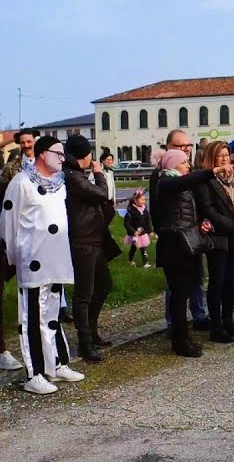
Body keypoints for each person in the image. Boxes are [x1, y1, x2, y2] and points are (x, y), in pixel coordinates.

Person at [0, 136, 84, 393]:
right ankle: (33, 373)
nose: (62, 158)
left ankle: (55, 363)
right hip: (32, 260)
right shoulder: (21, 183)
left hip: (55, 258)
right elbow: (9, 223)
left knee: (52, 313)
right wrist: (16, 258)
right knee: (32, 316)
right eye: (58, 153)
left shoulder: (59, 185)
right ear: (42, 153)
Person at [150, 138, 228, 358]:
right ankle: (180, 340)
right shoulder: (165, 181)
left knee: (187, 289)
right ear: (173, 164)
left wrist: (199, 222)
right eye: (184, 162)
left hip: (187, 243)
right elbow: (186, 183)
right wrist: (213, 171)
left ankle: (184, 336)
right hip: (174, 245)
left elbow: (187, 209)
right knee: (179, 294)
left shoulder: (182, 182)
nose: (188, 165)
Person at [63, 134, 118, 363]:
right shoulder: (72, 176)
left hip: (94, 239)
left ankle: (92, 331)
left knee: (103, 286)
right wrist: (99, 173)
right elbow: (102, 193)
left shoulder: (77, 174)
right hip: (82, 241)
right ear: (84, 156)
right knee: (84, 294)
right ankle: (85, 342)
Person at [193, 141, 234, 344]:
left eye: (227, 155)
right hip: (219, 237)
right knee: (217, 281)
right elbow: (208, 209)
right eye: (220, 156)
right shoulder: (206, 180)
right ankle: (216, 326)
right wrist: (233, 228)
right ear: (212, 158)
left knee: (232, 280)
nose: (225, 159)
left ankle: (229, 320)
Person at [124, 189, 153, 268]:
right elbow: (126, 224)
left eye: (144, 199)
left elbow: (148, 220)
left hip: (142, 233)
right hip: (134, 234)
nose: (144, 201)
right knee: (134, 248)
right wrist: (133, 231)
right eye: (142, 199)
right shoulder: (130, 212)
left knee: (143, 248)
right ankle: (130, 260)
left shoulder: (145, 210)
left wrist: (150, 231)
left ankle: (146, 263)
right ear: (135, 201)